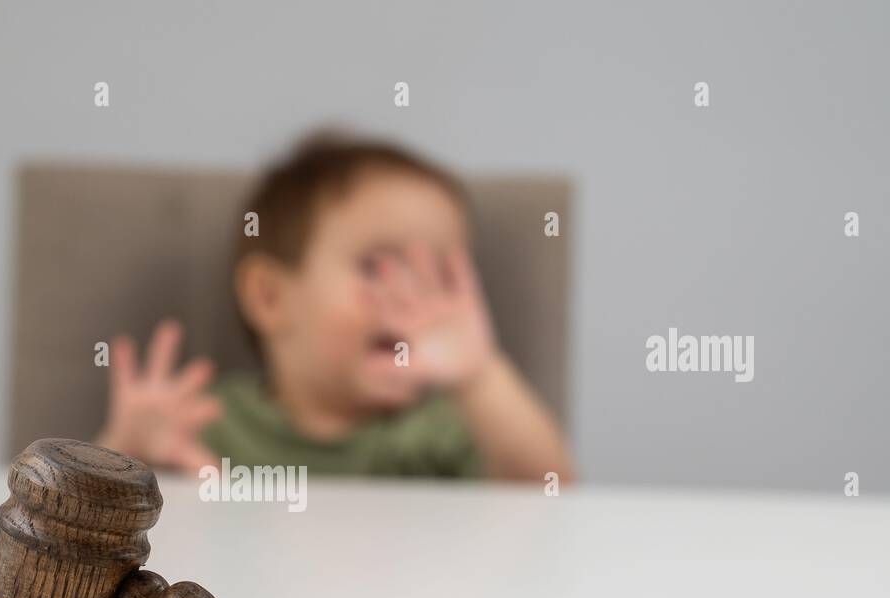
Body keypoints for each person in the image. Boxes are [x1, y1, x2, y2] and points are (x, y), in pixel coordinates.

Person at [96, 130, 574, 482]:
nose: (411, 301)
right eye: (375, 267)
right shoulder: (210, 425)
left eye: (437, 278)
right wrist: (126, 450)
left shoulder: (442, 428)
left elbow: (551, 497)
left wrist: (479, 374)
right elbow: (80, 537)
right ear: (270, 297)